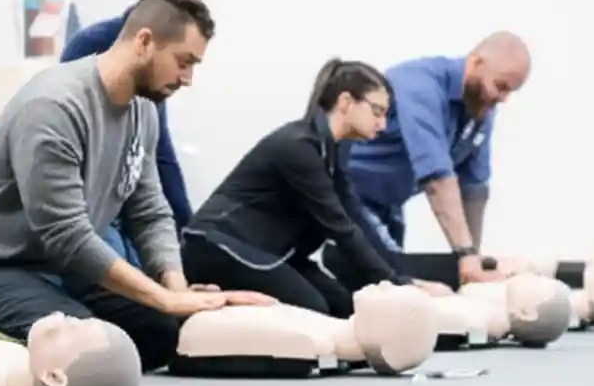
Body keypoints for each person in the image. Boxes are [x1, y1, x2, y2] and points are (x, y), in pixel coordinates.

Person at [0, 0, 274, 372]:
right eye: (184, 62)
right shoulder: (54, 106)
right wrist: (162, 297)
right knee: (94, 351)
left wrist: (177, 291)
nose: (188, 78)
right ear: (145, 41)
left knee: (161, 332)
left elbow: (150, 212)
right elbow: (66, 235)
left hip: (49, 268)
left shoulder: (143, 111)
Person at [182, 60, 452, 319]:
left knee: (343, 308)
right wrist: (396, 286)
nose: (382, 125)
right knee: (314, 310)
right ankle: (215, 307)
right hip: (217, 245)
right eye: (377, 112)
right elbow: (340, 228)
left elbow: (355, 218)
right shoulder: (298, 146)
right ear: (345, 102)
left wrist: (400, 280)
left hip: (270, 253)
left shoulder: (332, 154)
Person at [324, 32, 532, 288]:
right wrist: (464, 256)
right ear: (476, 63)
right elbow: (437, 179)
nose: (503, 98)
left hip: (390, 204)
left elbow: (474, 189)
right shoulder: (420, 85)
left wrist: (472, 260)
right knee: (392, 275)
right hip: (350, 195)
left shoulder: (482, 108)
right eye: (500, 86)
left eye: (511, 92)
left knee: (395, 288)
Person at [61, 0, 201, 243]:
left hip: (125, 198)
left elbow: (159, 149)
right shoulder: (91, 44)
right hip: (84, 203)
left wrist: (185, 223)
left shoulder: (159, 66)